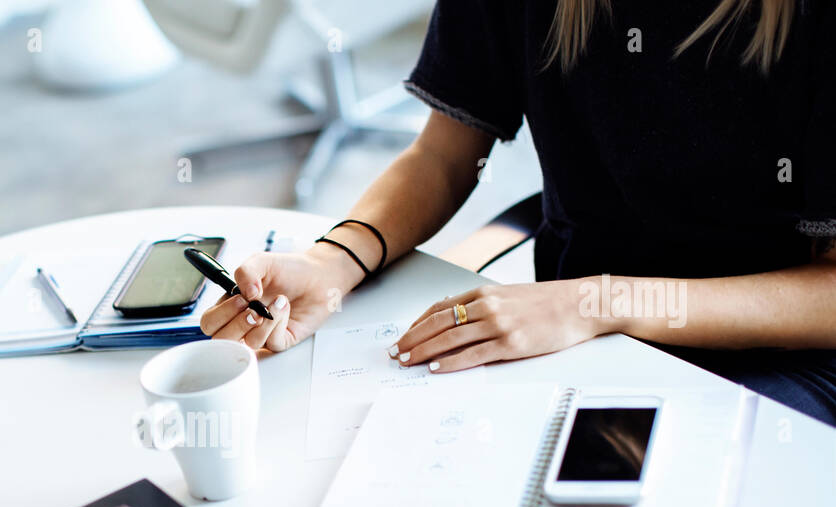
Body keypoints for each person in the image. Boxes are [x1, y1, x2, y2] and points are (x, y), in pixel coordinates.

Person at [201, 0, 836, 426]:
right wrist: (333, 260)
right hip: (571, 329)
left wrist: (599, 303)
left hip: (777, 355)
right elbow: (443, 157)